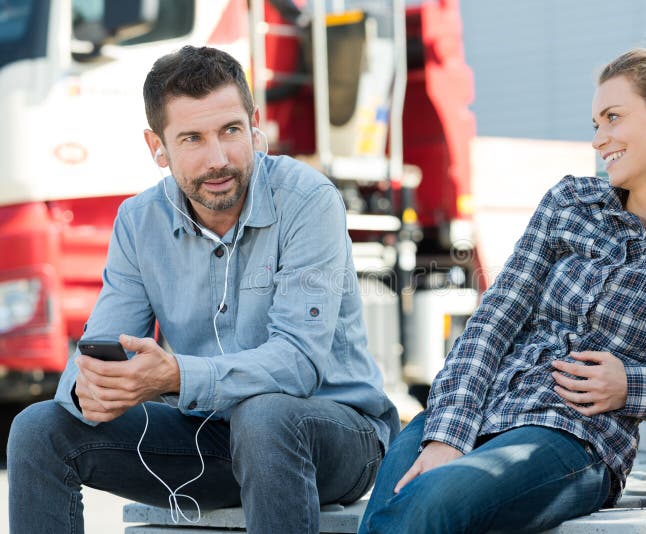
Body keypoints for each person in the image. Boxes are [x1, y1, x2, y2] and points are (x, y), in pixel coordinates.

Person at [358, 48, 646, 533]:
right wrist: (448, 433)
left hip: (577, 439)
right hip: (481, 402)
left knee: (434, 500)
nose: (600, 139)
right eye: (596, 123)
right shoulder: (570, 202)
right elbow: (494, 322)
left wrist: (632, 387)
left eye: (613, 118)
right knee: (396, 502)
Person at [7, 45, 399, 534]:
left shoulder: (309, 200)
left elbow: (299, 364)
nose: (219, 159)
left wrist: (174, 377)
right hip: (210, 439)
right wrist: (95, 389)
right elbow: (99, 350)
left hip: (336, 439)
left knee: (266, 418)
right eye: (192, 138)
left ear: (255, 126)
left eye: (231, 131)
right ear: (158, 148)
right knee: (38, 429)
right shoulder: (138, 221)